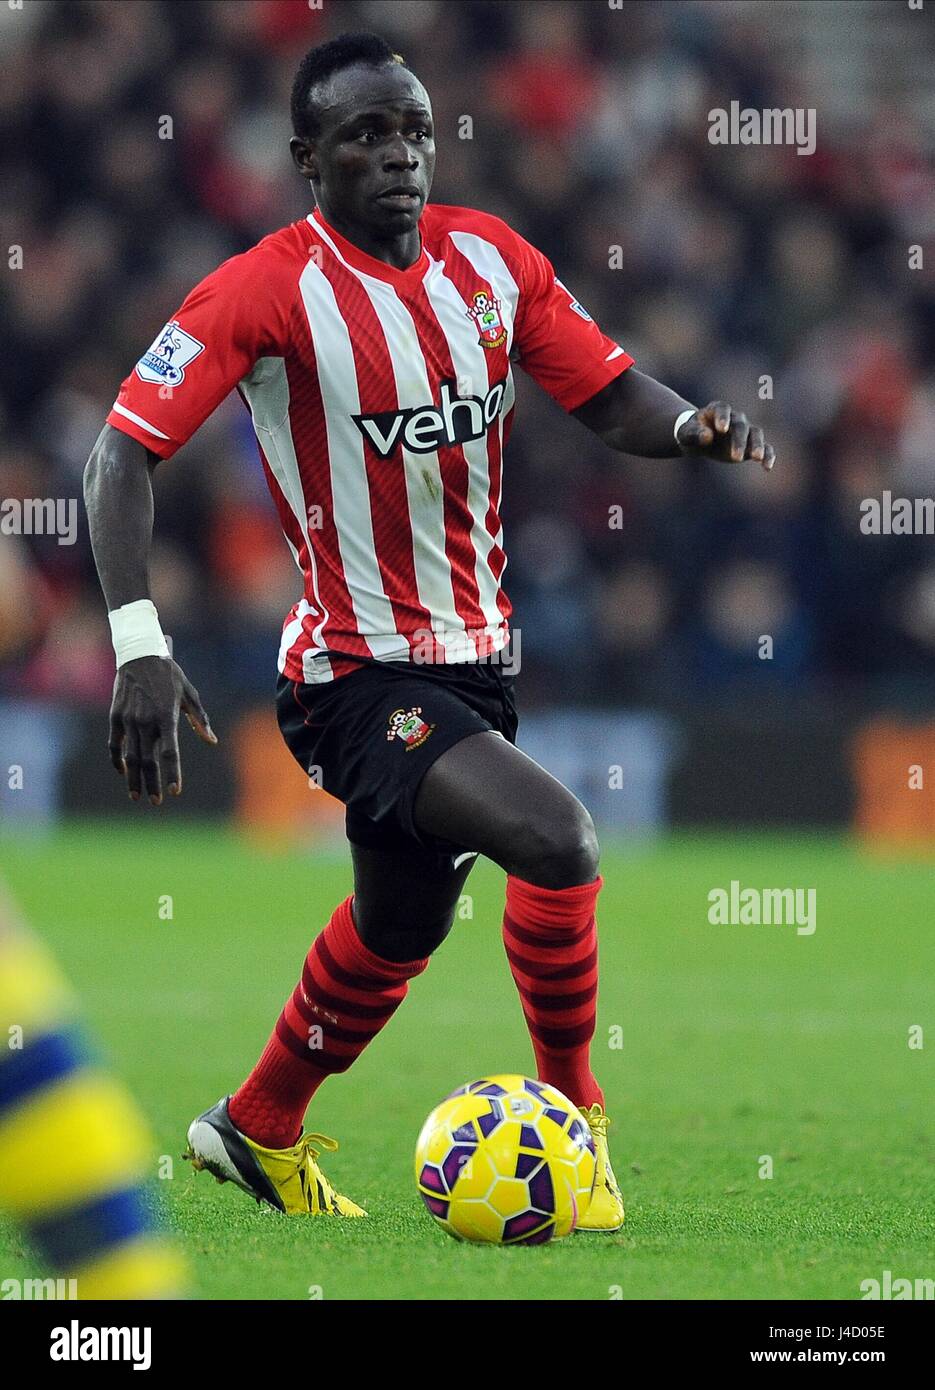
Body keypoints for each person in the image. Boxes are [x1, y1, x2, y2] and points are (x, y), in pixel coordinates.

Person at [84, 32, 774, 1233]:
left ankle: (253, 1128)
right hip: (352, 676)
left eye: (410, 128)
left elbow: (606, 390)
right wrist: (139, 641)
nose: (397, 153)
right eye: (363, 135)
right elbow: (119, 454)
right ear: (308, 158)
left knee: (397, 927)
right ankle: (579, 1126)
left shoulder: (488, 260)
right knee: (556, 839)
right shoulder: (263, 288)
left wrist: (688, 429)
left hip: (475, 663)